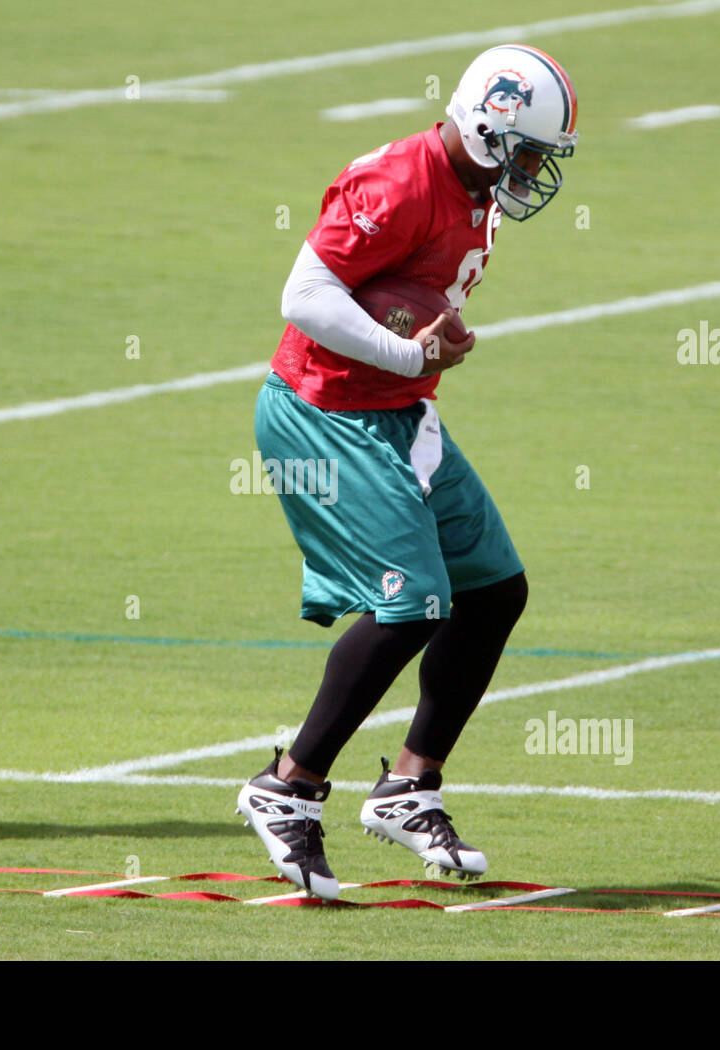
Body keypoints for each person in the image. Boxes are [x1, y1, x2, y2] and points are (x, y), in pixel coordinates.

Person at [237, 44, 579, 898]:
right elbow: (304, 296)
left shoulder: (473, 187)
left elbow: (415, 293)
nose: (534, 170)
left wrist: (435, 342)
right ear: (486, 125)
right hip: (326, 411)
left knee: (494, 588)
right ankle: (290, 785)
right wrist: (405, 348)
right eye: (529, 150)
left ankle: (408, 784)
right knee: (415, 600)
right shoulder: (401, 180)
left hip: (398, 410)